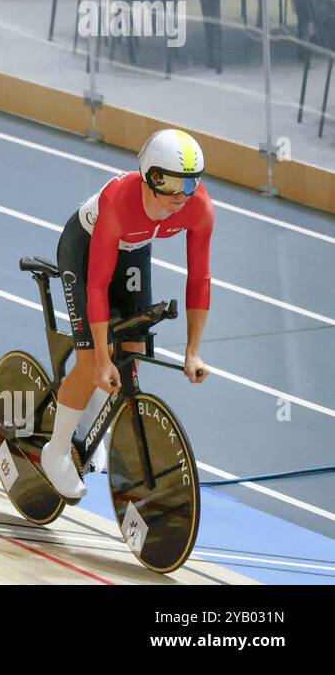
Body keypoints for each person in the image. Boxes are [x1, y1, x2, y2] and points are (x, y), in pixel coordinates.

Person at [42, 128, 213, 498]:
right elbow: (97, 286)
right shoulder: (119, 202)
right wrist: (101, 358)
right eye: (168, 183)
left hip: (134, 249)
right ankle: (54, 452)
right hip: (86, 248)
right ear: (150, 176)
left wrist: (192, 350)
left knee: (132, 355)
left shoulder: (199, 207)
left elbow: (199, 279)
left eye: (190, 184)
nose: (180, 196)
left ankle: (91, 424)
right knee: (92, 364)